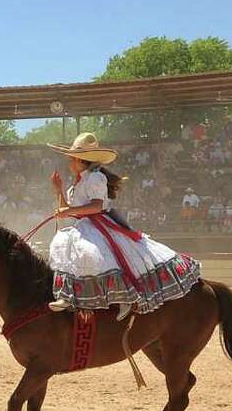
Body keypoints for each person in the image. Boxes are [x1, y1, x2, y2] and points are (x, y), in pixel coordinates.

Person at [43, 133, 202, 319]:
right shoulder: (78, 183)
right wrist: (58, 190)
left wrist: (67, 212)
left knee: (93, 254)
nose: (69, 162)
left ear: (79, 159)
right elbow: (67, 209)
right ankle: (67, 295)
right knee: (62, 245)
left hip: (98, 223)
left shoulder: (95, 178)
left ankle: (125, 298)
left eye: (71, 158)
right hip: (83, 224)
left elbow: (97, 205)